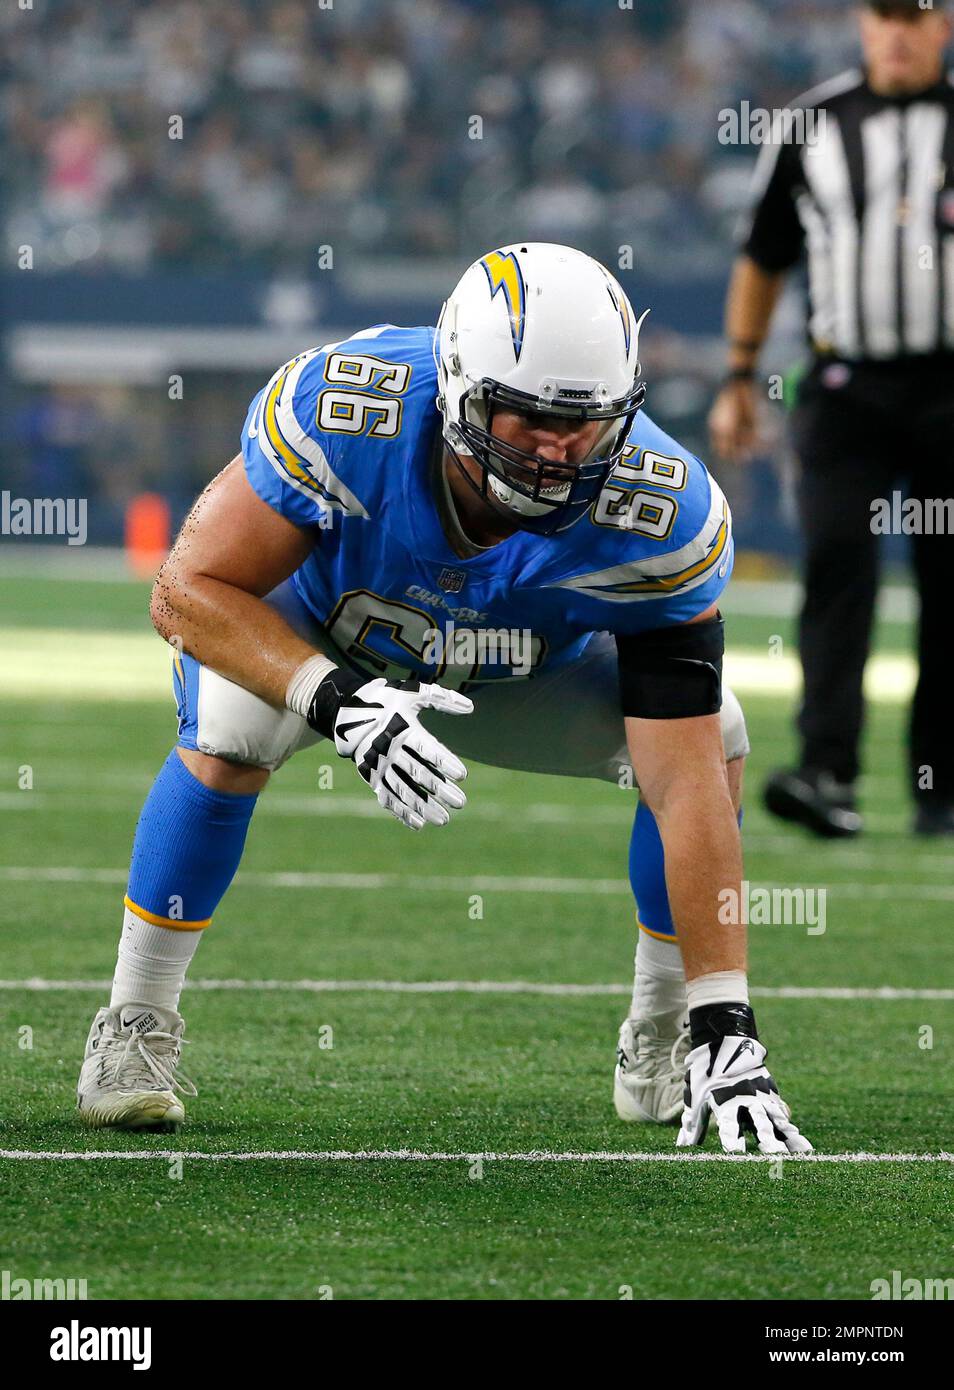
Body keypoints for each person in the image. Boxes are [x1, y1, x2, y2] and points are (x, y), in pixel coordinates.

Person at [77, 243, 810, 1156]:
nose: (553, 450)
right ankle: (134, 1028)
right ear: (458, 388)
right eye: (527, 416)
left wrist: (727, 1018)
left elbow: (684, 776)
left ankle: (669, 1039)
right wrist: (335, 699)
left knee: (719, 739)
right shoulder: (350, 409)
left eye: (581, 425)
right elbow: (185, 591)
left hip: (512, 669)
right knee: (232, 728)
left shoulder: (663, 515)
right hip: (321, 640)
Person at [710, 0, 954, 837]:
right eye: (883, 13)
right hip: (846, 390)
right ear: (862, 22)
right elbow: (763, 254)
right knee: (837, 561)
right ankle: (825, 774)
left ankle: (942, 790)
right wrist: (739, 374)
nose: (896, 32)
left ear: (943, 27)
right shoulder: (811, 122)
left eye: (913, 16)